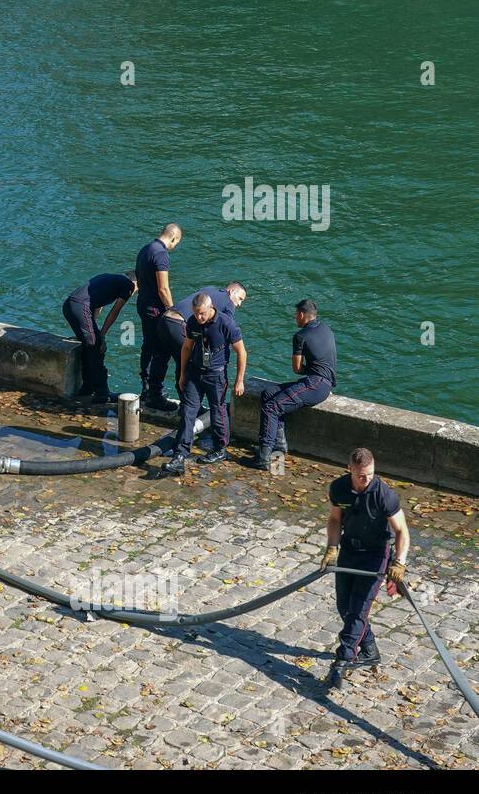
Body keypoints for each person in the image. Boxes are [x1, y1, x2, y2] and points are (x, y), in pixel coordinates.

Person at [320, 448, 411, 689]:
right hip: (349, 550)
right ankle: (369, 648)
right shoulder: (338, 488)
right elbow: (335, 519)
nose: (366, 479)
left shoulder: (384, 495)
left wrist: (399, 562)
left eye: (370, 474)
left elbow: (402, 531)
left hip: (375, 556)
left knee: (359, 609)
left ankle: (344, 658)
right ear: (350, 469)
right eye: (361, 475)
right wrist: (332, 548)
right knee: (344, 606)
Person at [247, 299, 337, 471]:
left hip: (315, 385)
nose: (295, 318)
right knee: (268, 394)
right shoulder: (326, 328)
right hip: (324, 384)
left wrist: (310, 370)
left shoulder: (300, 336)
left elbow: (297, 369)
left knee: (272, 408)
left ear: (302, 315)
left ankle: (263, 458)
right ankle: (279, 446)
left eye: (296, 315)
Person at [155, 282, 247, 450]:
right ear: (231, 291)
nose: (239, 304)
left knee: (216, 408)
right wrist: (184, 374)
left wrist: (239, 380)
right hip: (180, 327)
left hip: (165, 320)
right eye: (240, 298)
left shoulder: (211, 291)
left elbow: (239, 348)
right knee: (190, 404)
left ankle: (220, 448)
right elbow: (187, 347)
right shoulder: (224, 304)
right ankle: (181, 450)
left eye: (202, 314)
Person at [62, 271, 137, 404]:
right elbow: (114, 312)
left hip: (69, 305)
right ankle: (102, 393)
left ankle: (87, 388)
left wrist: (94, 331)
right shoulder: (129, 285)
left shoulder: (108, 277)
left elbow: (98, 305)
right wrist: (100, 336)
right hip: (81, 307)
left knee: (89, 346)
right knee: (96, 347)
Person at [134, 224, 183, 412]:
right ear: (173, 238)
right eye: (176, 243)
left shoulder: (145, 249)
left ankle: (146, 389)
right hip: (156, 309)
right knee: (162, 351)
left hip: (143, 304)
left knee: (148, 346)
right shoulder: (161, 254)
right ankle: (156, 395)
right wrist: (173, 311)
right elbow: (163, 288)